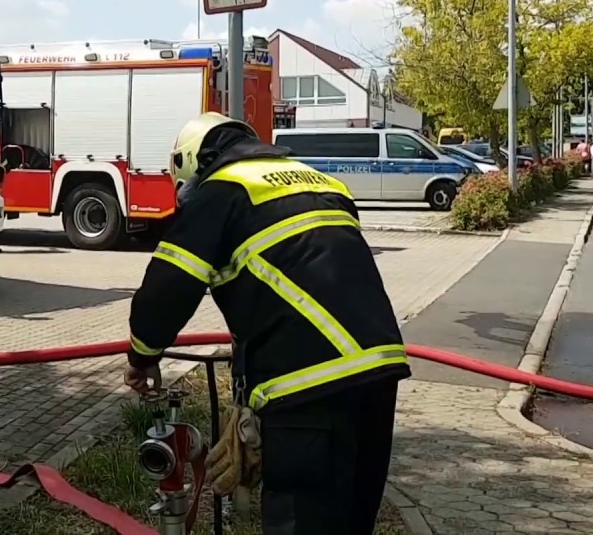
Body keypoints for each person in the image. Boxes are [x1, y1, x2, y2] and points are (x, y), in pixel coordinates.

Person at [123, 112, 410, 535]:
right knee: (351, 519)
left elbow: (168, 286)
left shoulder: (220, 192)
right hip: (378, 373)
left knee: (302, 519)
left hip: (305, 387)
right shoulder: (321, 182)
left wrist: (142, 355)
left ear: (193, 165)